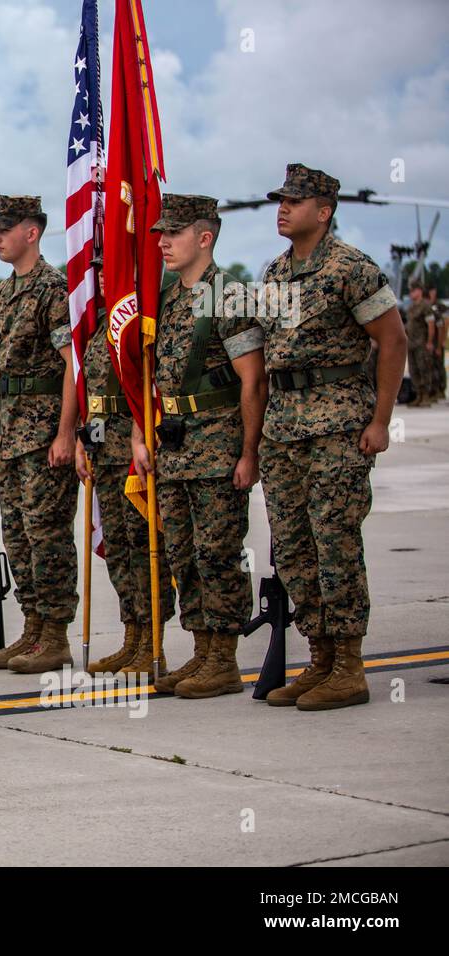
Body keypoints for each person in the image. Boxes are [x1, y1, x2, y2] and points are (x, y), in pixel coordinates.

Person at [257, 164, 406, 711]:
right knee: (294, 548)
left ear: (323, 211)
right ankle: (318, 658)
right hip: (284, 428)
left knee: (335, 544)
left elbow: (392, 343)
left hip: (338, 426)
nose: (282, 208)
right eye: (280, 200)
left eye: (294, 202)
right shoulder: (272, 274)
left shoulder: (351, 269)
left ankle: (349, 665)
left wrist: (381, 421)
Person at [132, 195, 266, 697]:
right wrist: (139, 435)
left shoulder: (228, 295)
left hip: (217, 445)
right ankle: (201, 651)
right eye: (161, 233)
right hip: (173, 446)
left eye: (175, 233)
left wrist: (249, 453)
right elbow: (152, 379)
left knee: (217, 553)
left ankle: (224, 660)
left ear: (204, 238)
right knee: (183, 555)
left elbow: (253, 382)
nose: (163, 242)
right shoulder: (166, 297)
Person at [0, 195, 79, 674]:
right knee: (17, 536)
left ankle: (55, 636)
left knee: (46, 535)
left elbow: (72, 368)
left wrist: (67, 434)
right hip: (9, 434)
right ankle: (32, 628)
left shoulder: (55, 290)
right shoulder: (1, 296)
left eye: (5, 228)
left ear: (32, 231)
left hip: (42, 435)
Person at [77, 258, 176, 675]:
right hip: (104, 448)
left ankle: (153, 644)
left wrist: (141, 435)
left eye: (109, 267)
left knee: (144, 550)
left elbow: (150, 383)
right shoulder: (101, 323)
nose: (101, 274)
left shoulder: (139, 319)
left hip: (130, 451)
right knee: (118, 549)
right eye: (97, 269)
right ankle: (132, 637)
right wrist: (84, 442)